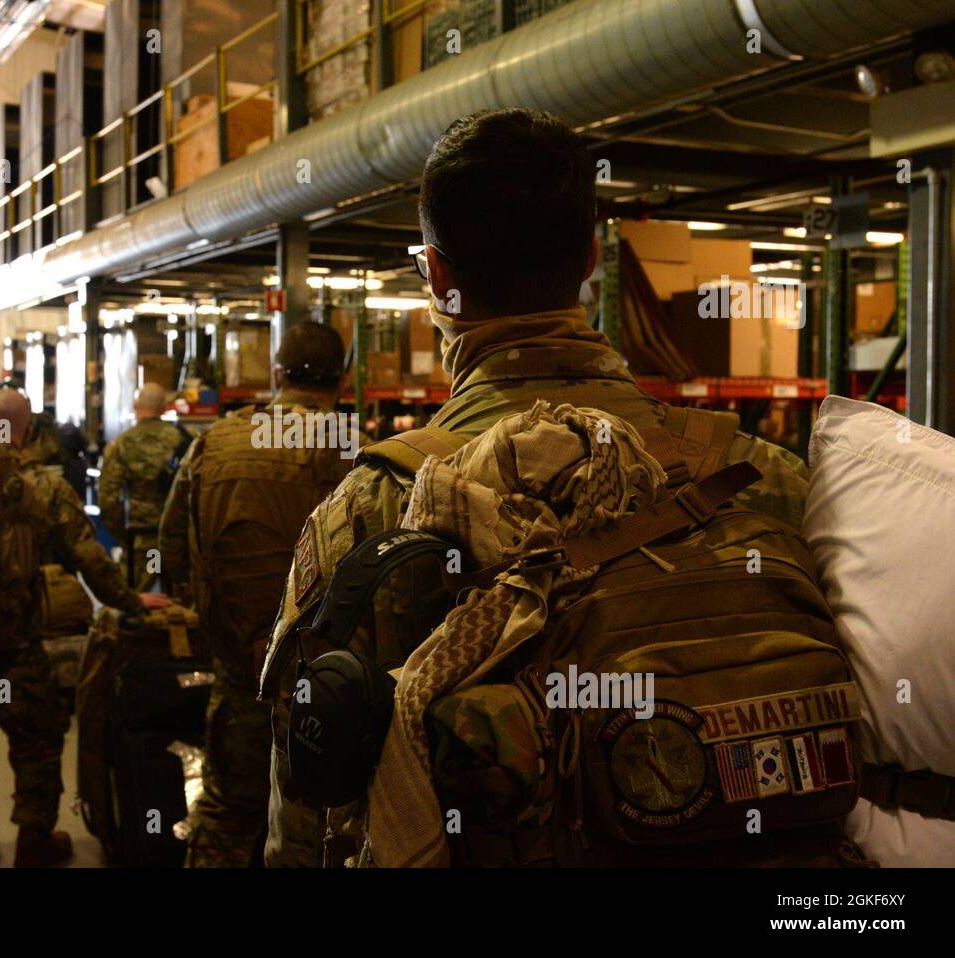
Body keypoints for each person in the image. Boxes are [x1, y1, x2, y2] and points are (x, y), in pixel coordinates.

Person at [259, 108, 813, 867]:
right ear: (591, 258)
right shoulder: (759, 473)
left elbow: (306, 805)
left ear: (440, 276)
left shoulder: (372, 509)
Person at [0, 385, 169, 867]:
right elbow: (89, 559)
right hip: (10, 645)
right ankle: (34, 840)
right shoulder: (38, 485)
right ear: (29, 431)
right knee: (37, 738)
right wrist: (132, 603)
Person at [158, 322, 363, 867]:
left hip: (238, 672)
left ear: (277, 375)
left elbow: (171, 550)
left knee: (226, 809)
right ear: (342, 381)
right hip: (327, 682)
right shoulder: (352, 451)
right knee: (325, 824)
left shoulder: (213, 442)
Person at [99, 382, 190, 586]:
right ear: (165, 408)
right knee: (179, 604)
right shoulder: (184, 440)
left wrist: (123, 537)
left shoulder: (120, 445)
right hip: (178, 544)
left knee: (138, 602)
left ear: (134, 405)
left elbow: (108, 501)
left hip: (142, 542)